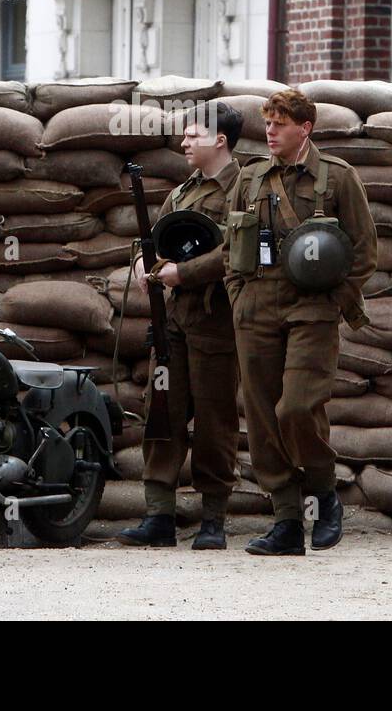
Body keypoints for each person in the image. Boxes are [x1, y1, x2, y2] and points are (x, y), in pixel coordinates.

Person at [222, 89, 378, 556]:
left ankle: (324, 492)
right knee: (263, 416)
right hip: (256, 306)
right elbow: (231, 248)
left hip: (312, 308)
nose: (269, 131)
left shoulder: (338, 179)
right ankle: (287, 521)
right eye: (266, 123)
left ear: (304, 128)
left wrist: (335, 301)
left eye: (279, 124)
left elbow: (364, 252)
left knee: (296, 407)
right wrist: (238, 297)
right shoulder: (249, 178)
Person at [117, 101, 244, 550]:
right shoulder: (183, 192)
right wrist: (141, 261)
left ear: (220, 140)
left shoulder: (244, 190)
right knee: (162, 412)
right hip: (173, 319)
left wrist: (183, 274)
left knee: (214, 419)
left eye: (192, 135)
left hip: (217, 320)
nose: (184, 142)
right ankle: (159, 516)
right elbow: (153, 238)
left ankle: (213, 521)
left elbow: (236, 252)